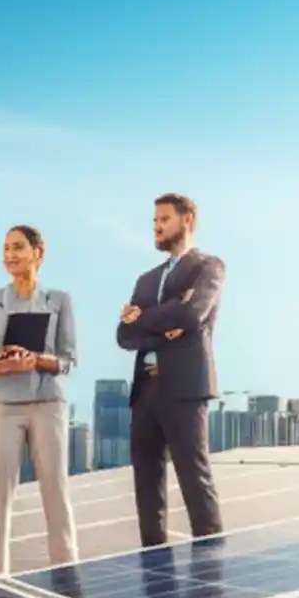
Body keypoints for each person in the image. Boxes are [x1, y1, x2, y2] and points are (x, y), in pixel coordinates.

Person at [115, 192, 226, 547]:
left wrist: (146, 319)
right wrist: (164, 321)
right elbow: (124, 335)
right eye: (154, 222)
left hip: (184, 389)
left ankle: (211, 570)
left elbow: (191, 315)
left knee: (194, 478)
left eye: (164, 219)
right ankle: (154, 565)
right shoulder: (146, 280)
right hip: (144, 391)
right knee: (147, 486)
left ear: (187, 220)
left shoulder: (208, 267)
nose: (157, 227)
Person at [0, 225, 79, 575]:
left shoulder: (59, 300)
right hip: (2, 406)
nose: (10, 255)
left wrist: (34, 360)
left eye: (18, 247)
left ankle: (66, 571)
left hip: (48, 403)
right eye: (5, 249)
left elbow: (67, 360)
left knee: (56, 490)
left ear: (39, 252)